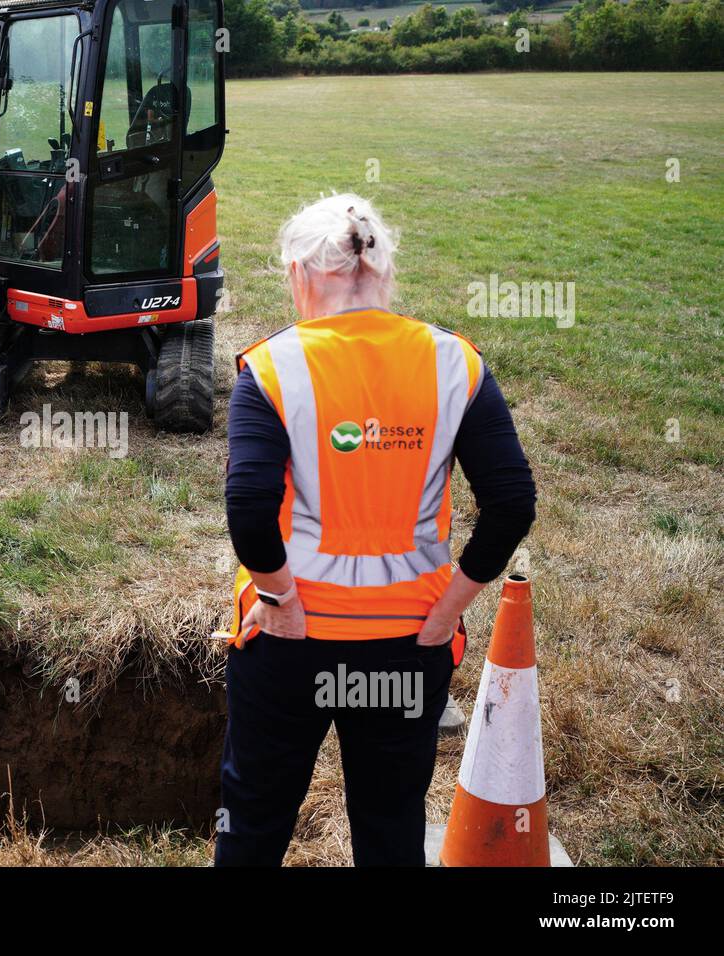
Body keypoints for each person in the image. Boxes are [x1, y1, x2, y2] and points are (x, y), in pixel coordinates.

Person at [216, 193, 537, 866]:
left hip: (288, 647)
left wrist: (280, 602)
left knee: (253, 820)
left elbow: (248, 508)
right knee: (391, 826)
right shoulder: (457, 363)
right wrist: (449, 610)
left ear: (302, 273)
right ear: (384, 270)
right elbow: (510, 504)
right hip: (407, 647)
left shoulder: (273, 368)